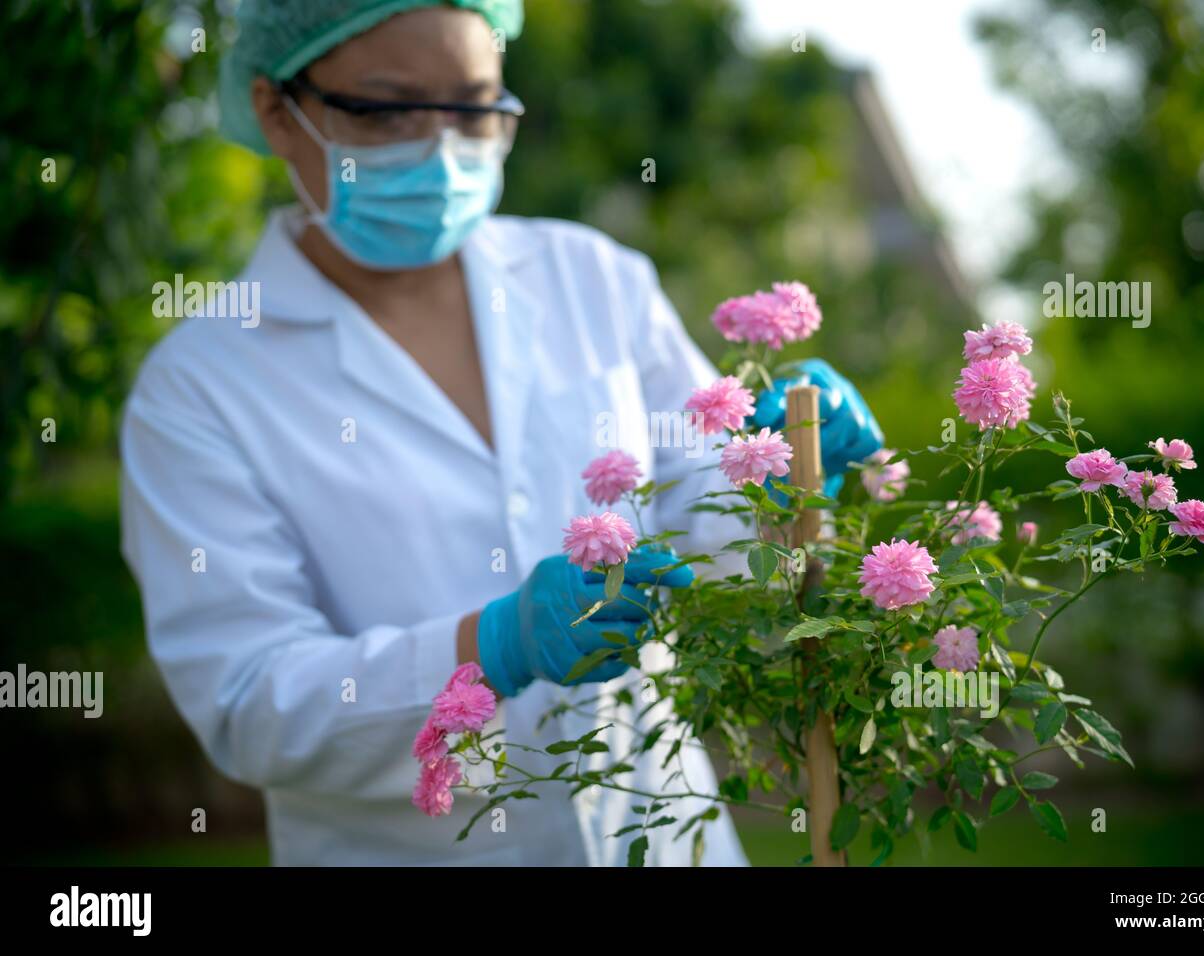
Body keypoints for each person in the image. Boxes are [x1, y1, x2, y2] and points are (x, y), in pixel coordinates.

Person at [119, 0, 883, 866]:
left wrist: (774, 477)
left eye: (475, 107)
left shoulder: (591, 278)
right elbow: (249, 702)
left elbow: (703, 527)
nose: (442, 146)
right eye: (389, 109)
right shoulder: (201, 387)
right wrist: (490, 648)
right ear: (273, 107)